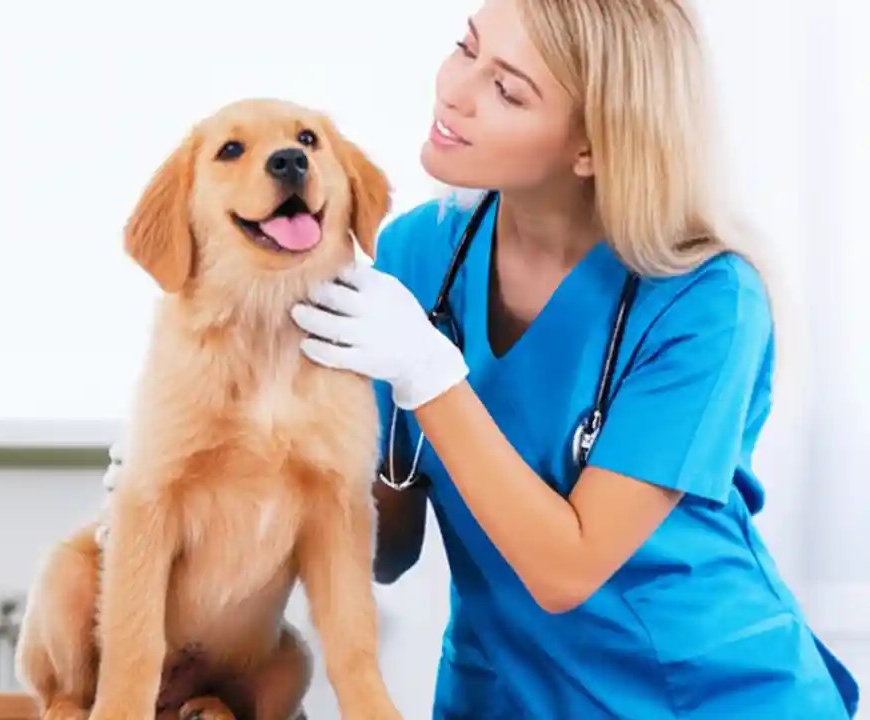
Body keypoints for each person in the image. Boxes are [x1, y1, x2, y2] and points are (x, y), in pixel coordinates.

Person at [280, 0, 861, 717]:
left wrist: (428, 374)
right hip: (506, 696)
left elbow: (566, 569)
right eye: (466, 49)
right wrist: (236, 474)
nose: (454, 91)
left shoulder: (706, 301)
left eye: (507, 89)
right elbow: (387, 549)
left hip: (703, 696)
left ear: (592, 146)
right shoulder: (417, 253)